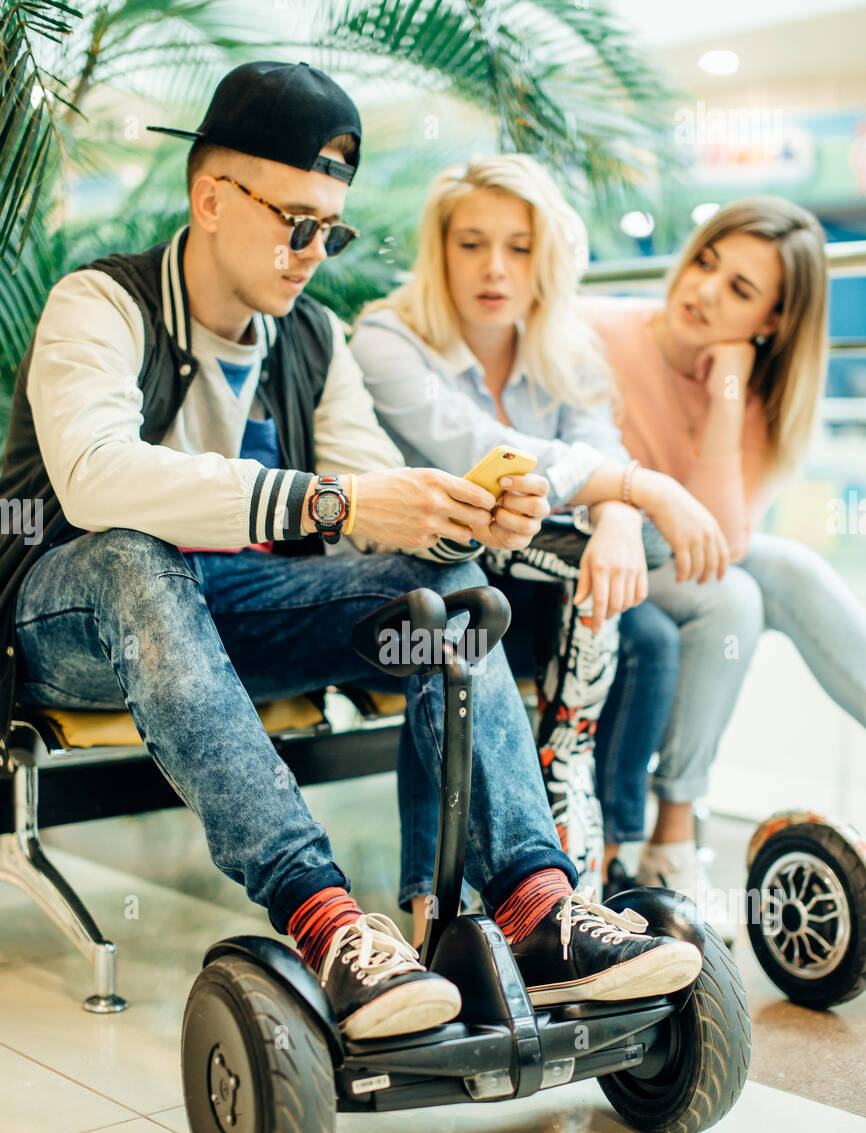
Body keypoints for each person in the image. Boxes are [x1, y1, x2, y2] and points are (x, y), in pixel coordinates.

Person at [0, 62, 704, 1042]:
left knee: (444, 590)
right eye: (296, 223)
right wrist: (334, 500)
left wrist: (463, 518)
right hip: (75, 616)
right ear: (211, 198)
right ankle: (327, 922)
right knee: (133, 555)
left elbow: (376, 501)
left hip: (238, 617)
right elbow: (93, 479)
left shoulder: (311, 340)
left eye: (330, 231)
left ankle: (536, 909)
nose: (312, 253)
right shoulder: (100, 306)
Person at [349, 152, 728, 932]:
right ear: (440, 248)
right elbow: (468, 446)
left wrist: (618, 517)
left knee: (649, 634)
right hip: (416, 575)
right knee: (452, 625)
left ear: (544, 256)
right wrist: (633, 493)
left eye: (519, 247)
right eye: (472, 243)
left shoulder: (566, 346)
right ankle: (437, 909)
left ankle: (611, 869)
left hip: (540, 570)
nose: (495, 268)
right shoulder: (387, 338)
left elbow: (599, 446)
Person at [585, 195, 866, 929]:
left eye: (740, 290)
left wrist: (728, 389)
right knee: (741, 594)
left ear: (772, 322)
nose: (702, 290)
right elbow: (708, 546)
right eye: (707, 261)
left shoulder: (761, 399)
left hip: (684, 566)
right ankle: (674, 834)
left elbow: (722, 544)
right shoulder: (601, 329)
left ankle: (672, 842)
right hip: (593, 543)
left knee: (785, 571)